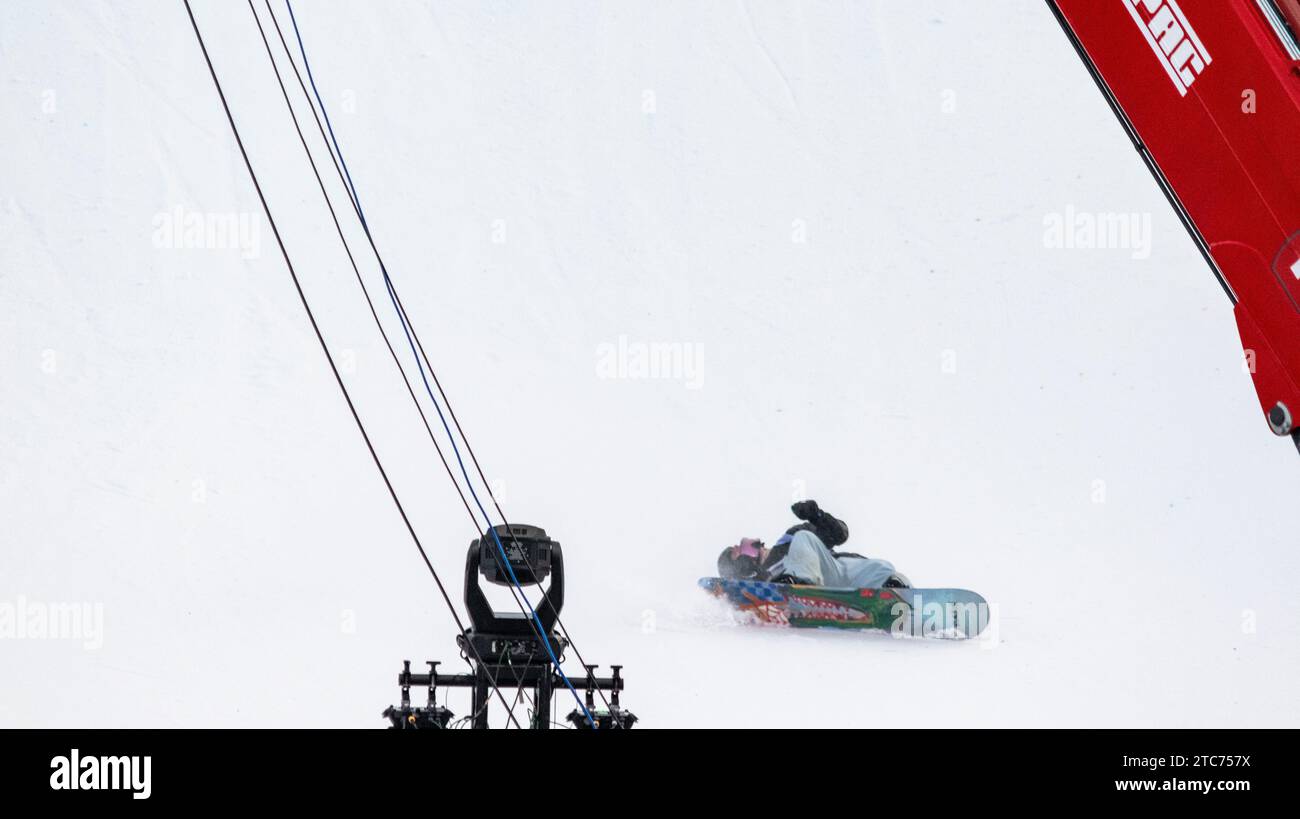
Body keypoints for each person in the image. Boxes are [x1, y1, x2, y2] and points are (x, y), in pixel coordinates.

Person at [716, 500, 909, 589]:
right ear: (744, 566)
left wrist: (817, 516)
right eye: (744, 548)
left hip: (838, 571)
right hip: (806, 584)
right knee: (803, 536)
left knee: (883, 567)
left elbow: (839, 535)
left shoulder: (790, 539)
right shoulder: (762, 588)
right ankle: (801, 585)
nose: (755, 543)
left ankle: (898, 595)